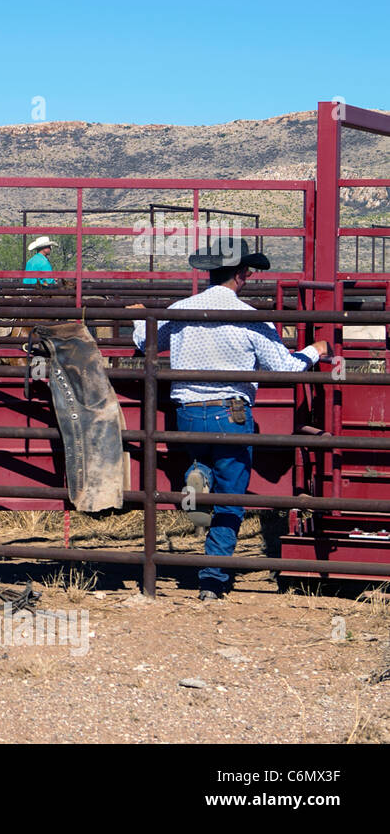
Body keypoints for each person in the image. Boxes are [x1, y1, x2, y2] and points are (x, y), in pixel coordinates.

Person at [130, 240, 328, 601]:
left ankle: (199, 476)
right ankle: (212, 580)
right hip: (231, 411)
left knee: (202, 461)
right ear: (240, 275)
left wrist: (138, 315)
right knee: (231, 498)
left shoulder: (181, 309)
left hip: (186, 411)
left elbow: (147, 343)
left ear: (210, 273)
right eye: (248, 272)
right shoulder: (250, 316)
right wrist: (316, 350)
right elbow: (283, 367)